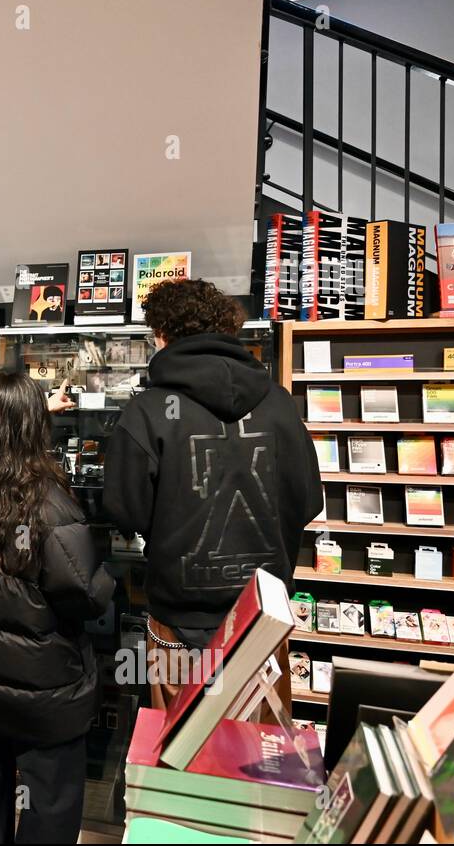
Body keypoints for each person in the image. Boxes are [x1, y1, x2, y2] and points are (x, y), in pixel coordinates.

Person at [103, 279, 322, 712]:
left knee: (176, 757)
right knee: (255, 756)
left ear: (162, 335)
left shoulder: (148, 411)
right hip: (262, 613)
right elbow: (308, 500)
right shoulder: (278, 404)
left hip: (180, 619)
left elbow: (125, 509)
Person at [0, 370, 110, 844]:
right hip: (43, 695)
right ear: (35, 425)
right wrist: (108, 574)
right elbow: (83, 595)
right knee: (48, 810)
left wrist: (29, 410)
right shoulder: (53, 505)